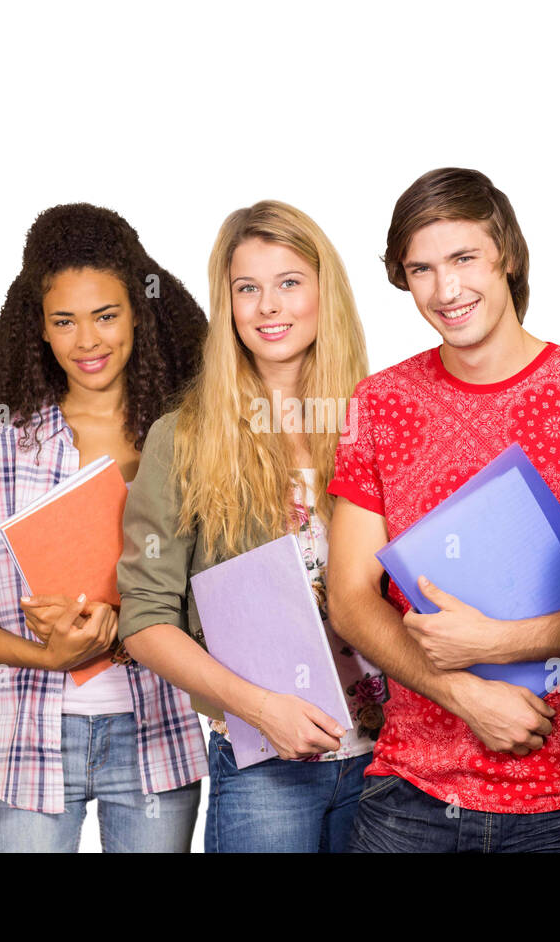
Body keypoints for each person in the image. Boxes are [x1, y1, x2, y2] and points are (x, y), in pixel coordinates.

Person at [326, 168, 560, 853]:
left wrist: (499, 644)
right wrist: (465, 693)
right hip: (410, 796)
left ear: (507, 256)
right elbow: (348, 596)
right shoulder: (377, 405)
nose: (445, 290)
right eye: (421, 269)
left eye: (463, 259)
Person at [0, 203, 209, 852]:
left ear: (138, 312)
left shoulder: (191, 445)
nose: (88, 341)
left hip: (155, 740)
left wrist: (125, 621)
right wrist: (46, 655)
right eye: (65, 322)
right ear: (41, 331)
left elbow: (216, 594)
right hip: (25, 742)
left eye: (106, 316)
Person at [117, 200, 381, 853]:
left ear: (326, 294)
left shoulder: (380, 421)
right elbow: (145, 621)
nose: (269, 306)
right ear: (227, 304)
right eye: (247, 289)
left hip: (394, 763)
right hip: (265, 766)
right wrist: (259, 708)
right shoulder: (182, 440)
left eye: (289, 282)